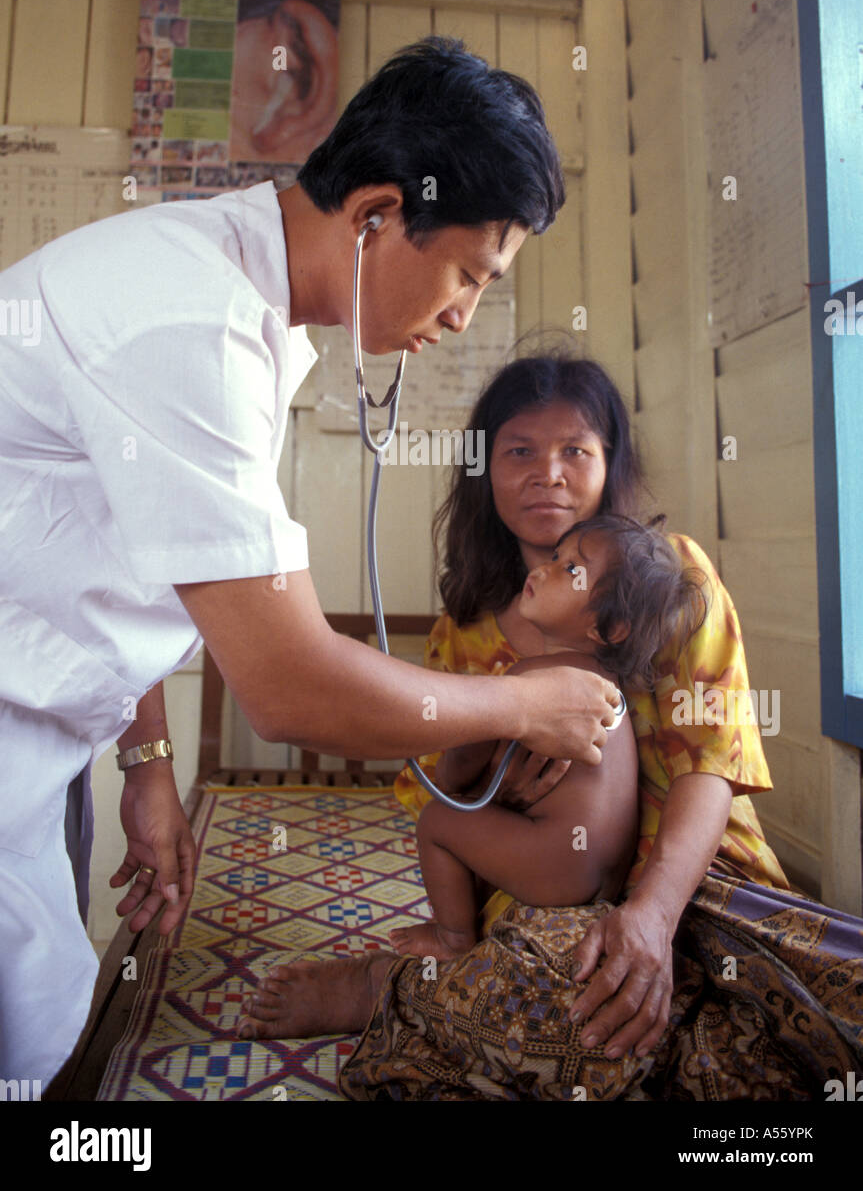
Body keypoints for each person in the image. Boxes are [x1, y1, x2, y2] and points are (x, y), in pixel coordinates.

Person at [0, 40, 624, 1089]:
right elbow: (286, 688)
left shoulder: (244, 305)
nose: (466, 313)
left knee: (36, 1024)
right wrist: (527, 707)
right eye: (468, 273)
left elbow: (140, 544)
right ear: (380, 213)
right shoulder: (191, 323)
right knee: (30, 1046)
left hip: (41, 718)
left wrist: (147, 762)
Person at [239, 352, 863, 1102]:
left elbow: (710, 762)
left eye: (576, 450)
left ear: (609, 465)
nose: (548, 473)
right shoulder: (464, 632)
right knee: (573, 1022)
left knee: (832, 1011)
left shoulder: (674, 584)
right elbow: (437, 798)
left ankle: (456, 990)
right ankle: (391, 986)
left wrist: (651, 918)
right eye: (519, 452)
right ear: (486, 472)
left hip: (696, 880)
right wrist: (500, 741)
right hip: (545, 906)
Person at [390, 515, 707, 960]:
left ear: (608, 628)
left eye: (572, 569)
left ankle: (453, 938)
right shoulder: (613, 688)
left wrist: (456, 761)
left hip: (555, 864)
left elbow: (456, 772)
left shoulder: (529, 679)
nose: (543, 569)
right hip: (607, 877)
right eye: (557, 557)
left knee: (438, 822)